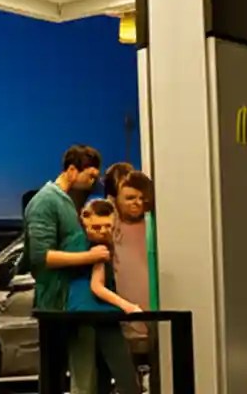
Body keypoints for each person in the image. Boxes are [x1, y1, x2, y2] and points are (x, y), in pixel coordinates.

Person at [23, 145, 109, 394]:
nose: (94, 182)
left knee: (81, 371)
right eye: (90, 175)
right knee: (53, 371)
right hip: (54, 301)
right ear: (72, 170)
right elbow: (42, 257)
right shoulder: (45, 202)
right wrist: (88, 257)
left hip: (73, 300)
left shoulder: (68, 202)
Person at [66, 199, 142, 394]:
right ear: (85, 220)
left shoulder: (78, 241)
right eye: (96, 227)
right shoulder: (96, 247)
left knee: (91, 378)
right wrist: (128, 306)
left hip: (86, 312)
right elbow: (97, 286)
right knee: (107, 376)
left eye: (107, 226)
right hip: (92, 313)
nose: (101, 231)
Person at [104, 163, 158, 386]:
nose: (136, 202)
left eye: (140, 197)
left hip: (156, 315)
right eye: (128, 197)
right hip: (126, 317)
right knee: (128, 382)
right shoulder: (112, 226)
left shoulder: (153, 223)